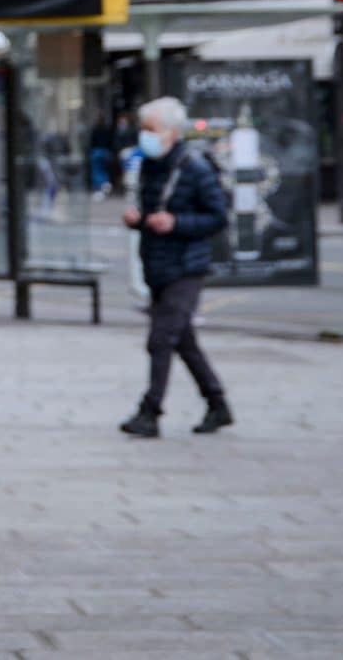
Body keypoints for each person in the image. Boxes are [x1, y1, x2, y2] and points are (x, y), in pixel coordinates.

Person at [119, 96, 232, 438]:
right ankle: (218, 404)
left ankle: (150, 410)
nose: (144, 136)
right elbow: (152, 210)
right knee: (183, 341)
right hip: (158, 263)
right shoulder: (152, 166)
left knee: (161, 338)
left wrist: (177, 222)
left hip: (186, 266)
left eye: (150, 129)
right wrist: (138, 221)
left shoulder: (195, 168)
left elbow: (217, 217)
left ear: (170, 132)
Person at [88, 117, 117, 195]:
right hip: (106, 152)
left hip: (97, 151)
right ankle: (105, 183)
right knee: (104, 169)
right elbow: (111, 141)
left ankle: (100, 186)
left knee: (97, 170)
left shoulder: (95, 130)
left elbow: (92, 142)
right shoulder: (107, 130)